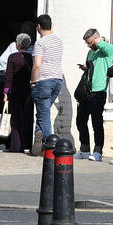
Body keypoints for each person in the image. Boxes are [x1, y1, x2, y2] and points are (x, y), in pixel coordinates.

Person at [75, 28, 113, 162]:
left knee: (96, 123)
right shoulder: (90, 53)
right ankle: (84, 149)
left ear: (97, 39)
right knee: (80, 120)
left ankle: (98, 151)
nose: (88, 45)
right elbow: (92, 66)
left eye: (90, 42)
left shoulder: (108, 50)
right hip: (87, 90)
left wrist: (100, 41)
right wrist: (86, 67)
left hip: (99, 91)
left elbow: (107, 47)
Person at [28, 14, 65, 151]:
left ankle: (52, 148)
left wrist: (32, 82)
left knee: (44, 116)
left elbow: (37, 65)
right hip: (57, 81)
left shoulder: (40, 43)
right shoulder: (59, 41)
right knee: (43, 113)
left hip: (43, 81)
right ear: (51, 25)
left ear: (38, 27)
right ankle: (38, 134)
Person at [2, 33, 34, 154]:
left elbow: (8, 78)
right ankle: (27, 143)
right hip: (29, 92)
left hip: (14, 91)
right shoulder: (31, 58)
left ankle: (16, 146)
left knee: (15, 119)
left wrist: (5, 93)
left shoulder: (13, 57)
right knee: (27, 117)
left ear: (17, 44)